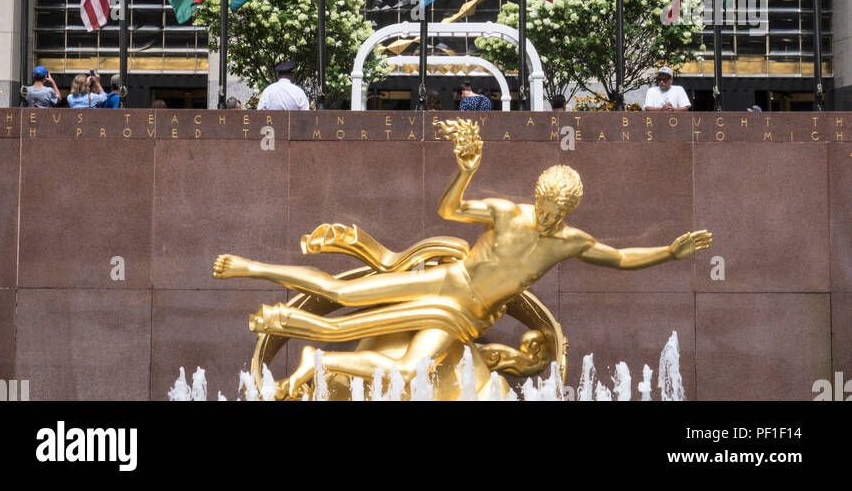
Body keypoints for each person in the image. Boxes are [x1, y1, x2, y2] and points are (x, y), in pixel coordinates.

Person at [215, 118, 711, 398]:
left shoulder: (570, 242)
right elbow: (448, 209)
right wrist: (465, 170)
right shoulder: (504, 213)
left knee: (408, 372)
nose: (543, 217)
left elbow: (621, 257)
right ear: (535, 198)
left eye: (554, 212)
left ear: (569, 211)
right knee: (341, 292)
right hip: (446, 282)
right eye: (541, 206)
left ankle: (314, 363)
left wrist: (669, 252)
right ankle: (252, 267)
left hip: (464, 317)